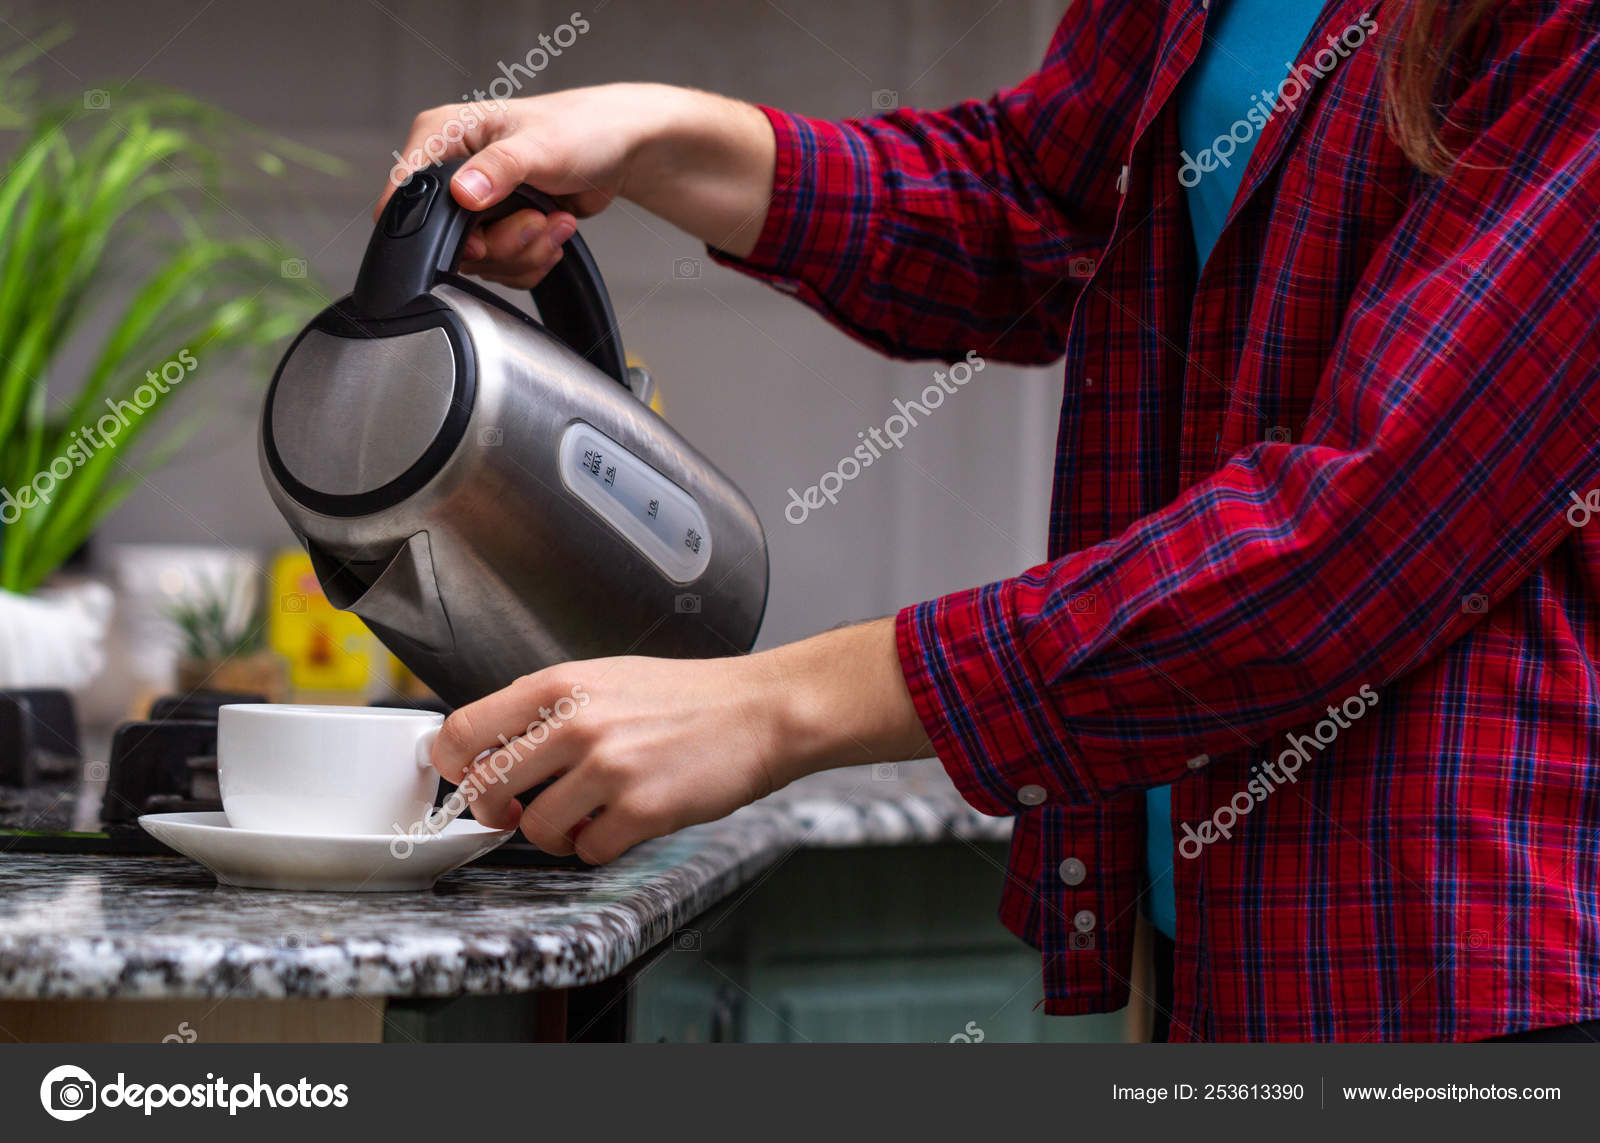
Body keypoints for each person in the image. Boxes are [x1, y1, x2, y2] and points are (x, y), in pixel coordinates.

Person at [379, 0, 1600, 1042]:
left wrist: (777, 707)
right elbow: (1036, 205)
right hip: (1207, 938)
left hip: (1473, 958)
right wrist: (661, 137)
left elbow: (1358, 539)